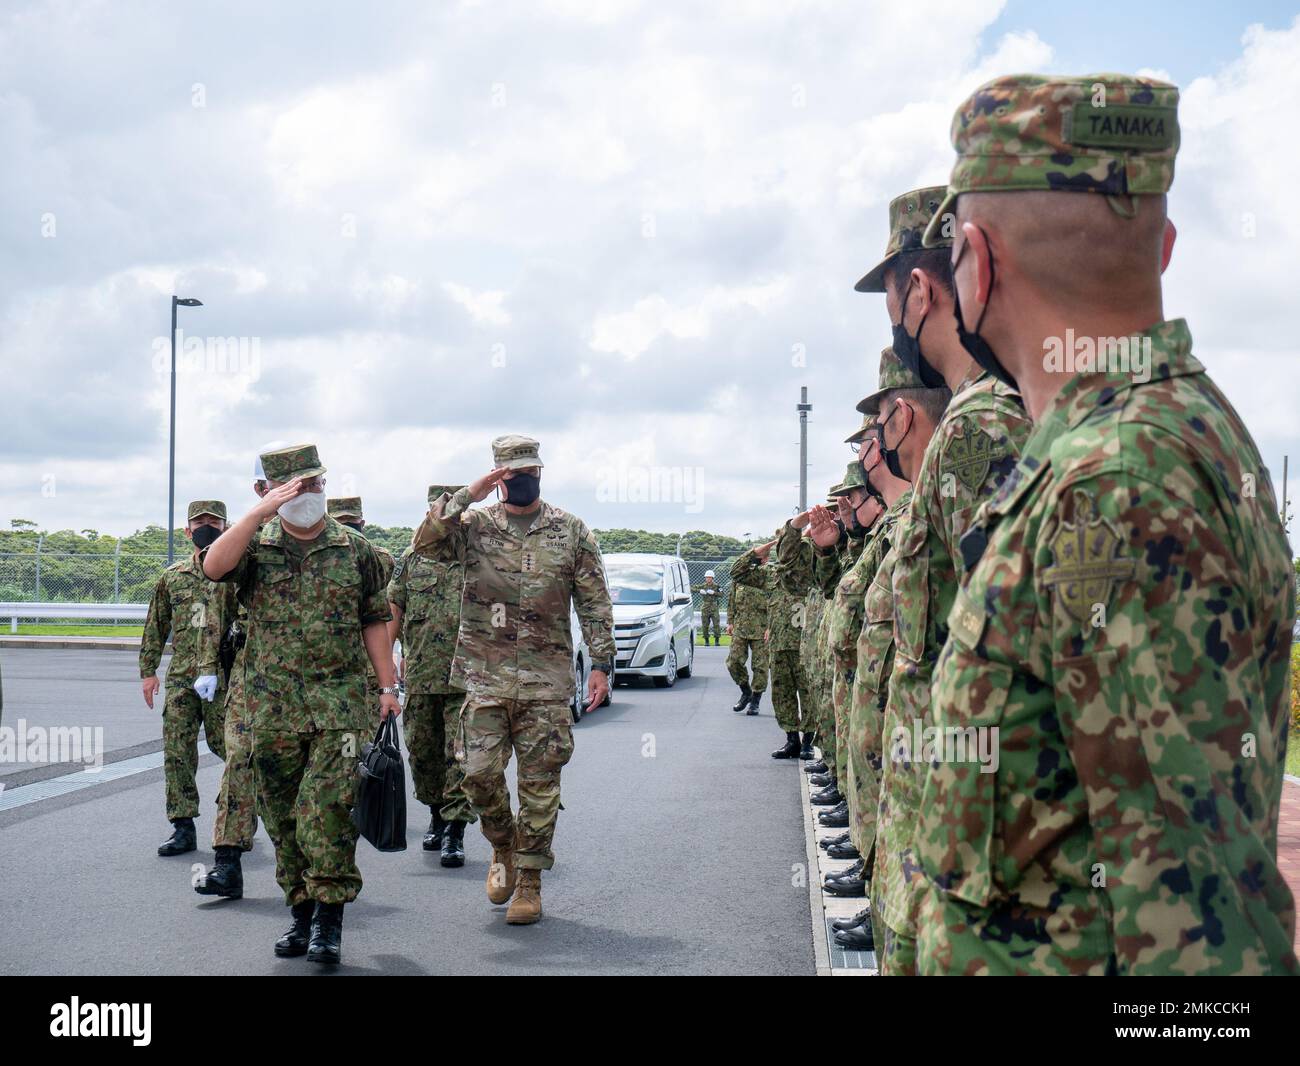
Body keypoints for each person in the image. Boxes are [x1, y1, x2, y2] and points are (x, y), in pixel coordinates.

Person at [917, 73, 1296, 975]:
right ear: (1163, 247)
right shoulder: (1148, 436)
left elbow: (1197, 932)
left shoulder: (1113, 480)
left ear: (976, 262)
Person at [202, 444, 398, 965]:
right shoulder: (254, 545)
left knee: (328, 809)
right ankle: (301, 910)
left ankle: (329, 919)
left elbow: (374, 619)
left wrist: (387, 687)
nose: (308, 493)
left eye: (315, 483)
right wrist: (257, 515)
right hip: (271, 708)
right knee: (283, 815)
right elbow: (214, 568)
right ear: (269, 491)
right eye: (295, 486)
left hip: (341, 706)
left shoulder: (355, 550)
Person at [410, 435, 614, 925]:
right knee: (477, 776)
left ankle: (529, 882)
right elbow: (425, 544)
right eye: (513, 471)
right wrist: (468, 494)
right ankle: (502, 844)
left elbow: (594, 600)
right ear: (499, 475)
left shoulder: (571, 530)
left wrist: (602, 664)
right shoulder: (474, 526)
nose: (523, 478)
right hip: (484, 677)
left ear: (541, 472)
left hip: (546, 682)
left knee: (540, 787)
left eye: (530, 470)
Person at [195, 443, 286, 900]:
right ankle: (227, 862)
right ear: (260, 489)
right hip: (252, 682)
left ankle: (309, 875)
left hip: (316, 686)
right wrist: (209, 667)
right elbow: (217, 610)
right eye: (281, 484)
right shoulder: (245, 541)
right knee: (239, 764)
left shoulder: (330, 541)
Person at [140, 500, 238, 857]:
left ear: (227, 528)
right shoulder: (173, 577)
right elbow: (156, 625)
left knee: (233, 749)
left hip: (226, 677)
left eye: (214, 521)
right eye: (199, 522)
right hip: (183, 677)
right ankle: (182, 826)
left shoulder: (236, 574)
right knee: (177, 752)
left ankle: (234, 816)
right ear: (187, 530)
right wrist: (148, 671)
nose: (206, 527)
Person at [386, 483, 474, 866]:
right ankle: (436, 815)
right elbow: (394, 609)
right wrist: (386, 663)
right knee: (423, 753)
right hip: (422, 675)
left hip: (468, 679)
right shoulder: (412, 558)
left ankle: (455, 829)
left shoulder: (479, 556)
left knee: (461, 755)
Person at [731, 536, 809, 758]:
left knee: (808, 695)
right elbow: (737, 572)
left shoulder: (812, 570)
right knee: (782, 694)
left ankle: (808, 742)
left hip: (806, 646)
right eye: (783, 547)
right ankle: (792, 740)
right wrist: (758, 551)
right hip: (779, 644)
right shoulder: (771, 574)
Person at [725, 550, 770, 714]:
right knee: (733, 661)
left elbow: (775, 602)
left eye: (761, 557)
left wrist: (770, 627)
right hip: (741, 626)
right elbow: (732, 599)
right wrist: (730, 621)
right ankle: (746, 692)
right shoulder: (741, 576)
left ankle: (755, 701)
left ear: (766, 558)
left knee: (760, 667)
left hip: (761, 628)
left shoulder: (768, 575)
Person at [692, 570, 722, 645]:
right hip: (705, 606)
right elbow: (691, 588)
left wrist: (714, 593)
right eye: (707, 577)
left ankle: (717, 640)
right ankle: (706, 640)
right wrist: (699, 590)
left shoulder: (717, 586)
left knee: (716, 624)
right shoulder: (703, 586)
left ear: (712, 578)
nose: (708, 579)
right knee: (705, 625)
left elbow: (722, 594)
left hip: (714, 607)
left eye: (709, 577)